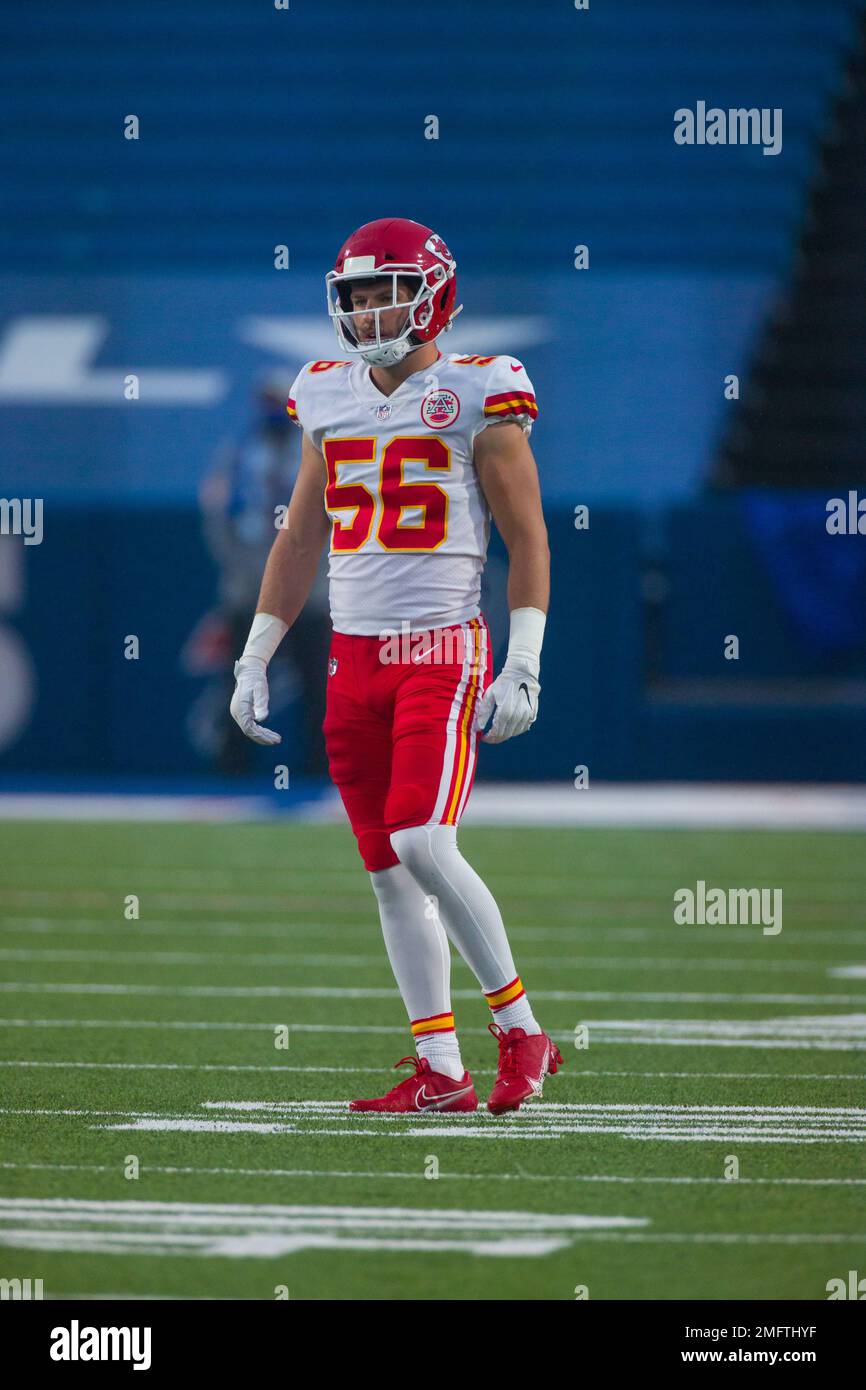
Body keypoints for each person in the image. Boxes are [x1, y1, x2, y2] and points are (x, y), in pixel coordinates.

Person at [230, 217, 562, 1113]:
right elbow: (302, 533)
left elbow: (527, 534)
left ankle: (522, 1029)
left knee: (423, 841)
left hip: (441, 650)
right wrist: (257, 652)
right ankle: (440, 1068)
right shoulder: (325, 394)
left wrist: (522, 659)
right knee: (386, 869)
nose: (373, 310)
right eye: (359, 295)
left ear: (436, 293)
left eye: (389, 290)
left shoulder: (479, 389)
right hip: (352, 659)